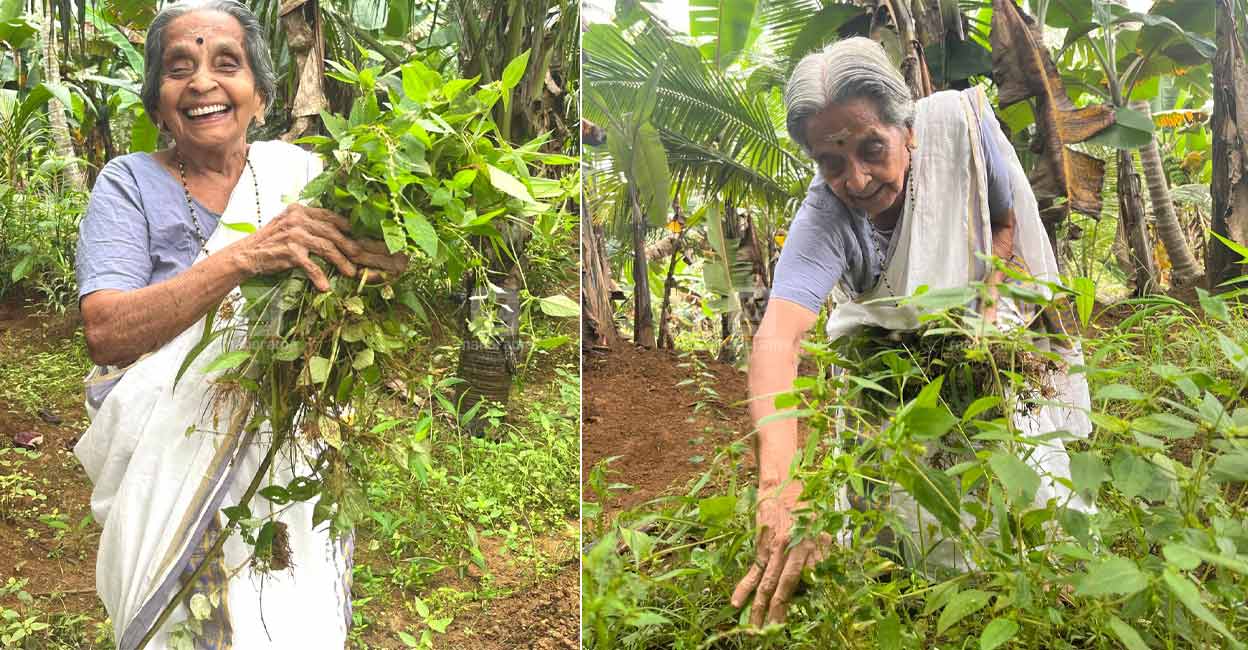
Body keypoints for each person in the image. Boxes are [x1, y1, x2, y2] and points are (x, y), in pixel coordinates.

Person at [72, 1, 406, 647]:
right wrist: (246, 256)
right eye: (179, 67)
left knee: (288, 613)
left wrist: (384, 258)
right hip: (165, 468)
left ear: (259, 92)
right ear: (155, 100)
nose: (202, 83)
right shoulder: (129, 184)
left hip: (290, 452)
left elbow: (362, 291)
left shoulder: (303, 176)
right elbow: (108, 333)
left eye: (227, 63)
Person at [729, 38, 1093, 626]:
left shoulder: (957, 132)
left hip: (981, 346)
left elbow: (1003, 221)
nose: (857, 178)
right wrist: (780, 484)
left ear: (909, 131)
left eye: (873, 148)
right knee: (900, 517)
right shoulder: (825, 215)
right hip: (888, 378)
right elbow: (778, 338)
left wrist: (988, 303)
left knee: (1018, 495)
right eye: (832, 161)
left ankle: (1045, 602)